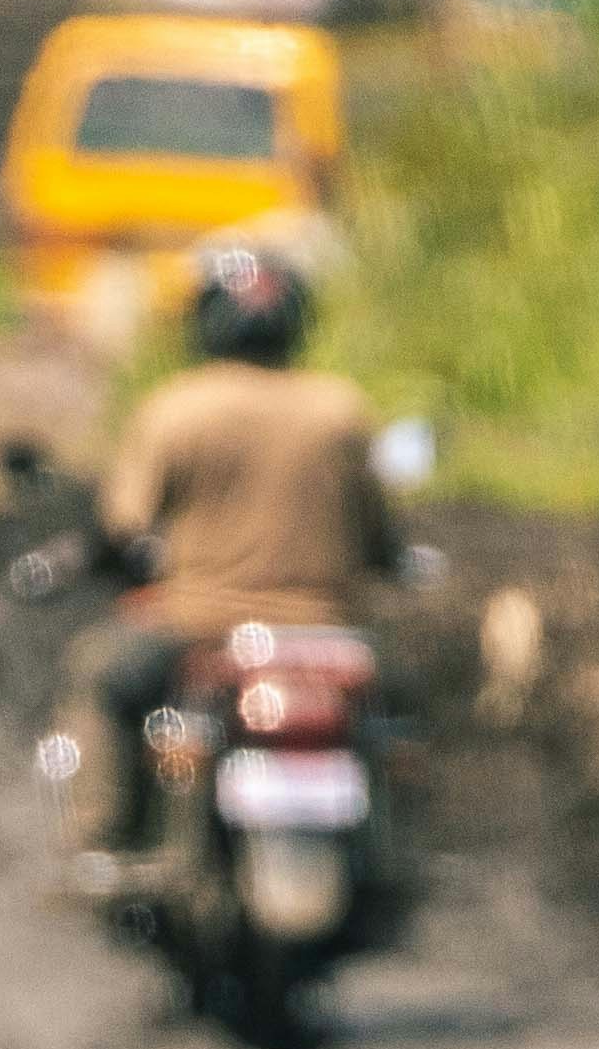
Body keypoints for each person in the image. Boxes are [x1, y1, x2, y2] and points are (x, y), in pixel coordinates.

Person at [51, 238, 397, 865]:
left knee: (97, 673)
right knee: (393, 716)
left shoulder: (178, 407)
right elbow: (380, 533)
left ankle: (101, 840)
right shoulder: (342, 411)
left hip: (198, 622)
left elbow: (124, 525)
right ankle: (383, 848)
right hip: (326, 626)